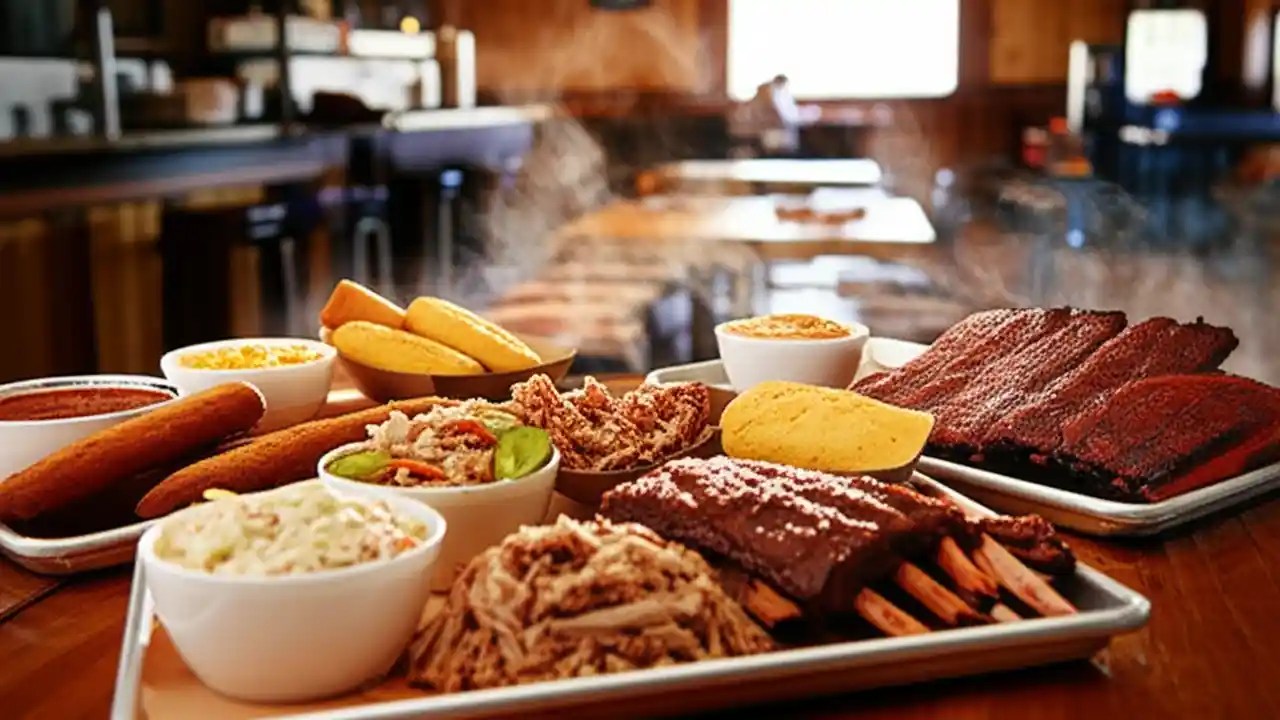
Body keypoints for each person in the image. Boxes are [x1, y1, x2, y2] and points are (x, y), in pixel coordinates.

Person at [729, 74, 817, 158]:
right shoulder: (776, 96)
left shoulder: (777, 96)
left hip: (770, 138)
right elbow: (787, 117)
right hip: (774, 139)